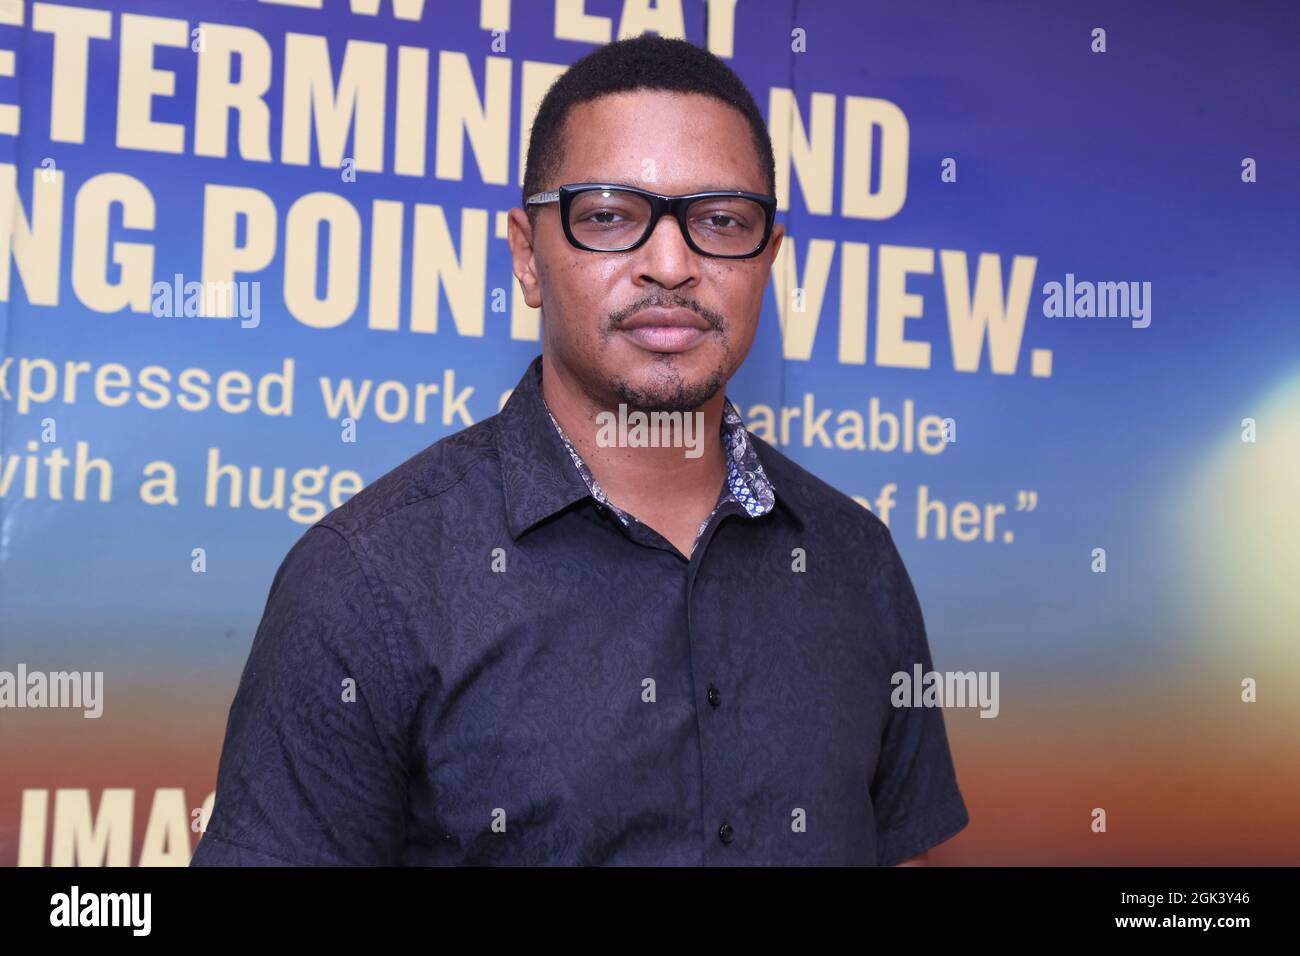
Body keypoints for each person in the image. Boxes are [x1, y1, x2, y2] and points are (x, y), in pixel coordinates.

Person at [192, 34, 968, 867]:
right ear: (528, 256)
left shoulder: (856, 561)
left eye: (719, 221)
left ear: (767, 258)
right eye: (609, 216)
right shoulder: (368, 580)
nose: (671, 264)